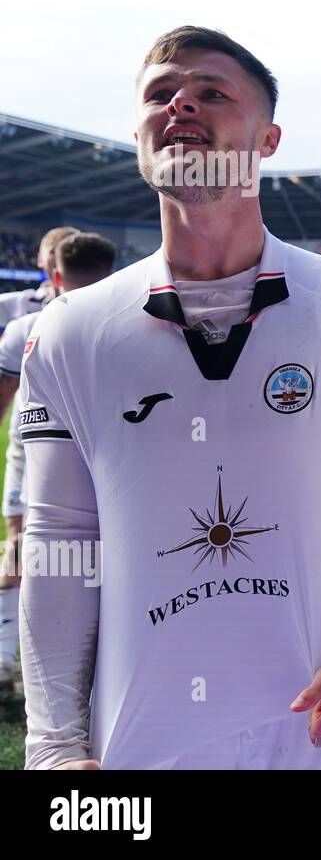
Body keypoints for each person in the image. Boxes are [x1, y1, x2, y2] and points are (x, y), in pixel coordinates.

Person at [18, 26, 321, 769]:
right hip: (143, 740)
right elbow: (59, 542)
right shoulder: (69, 330)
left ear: (268, 139)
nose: (180, 106)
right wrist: (53, 746)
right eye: (159, 96)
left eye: (211, 93)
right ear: (137, 134)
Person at [0, 232, 116, 702]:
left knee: (24, 560)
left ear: (55, 276)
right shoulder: (135, 319)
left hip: (33, 468)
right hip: (104, 472)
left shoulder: (23, 329)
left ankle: (13, 662)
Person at [0, 228, 78, 339]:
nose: (63, 258)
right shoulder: (17, 304)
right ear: (40, 259)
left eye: (70, 252)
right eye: (54, 252)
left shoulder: (99, 303)